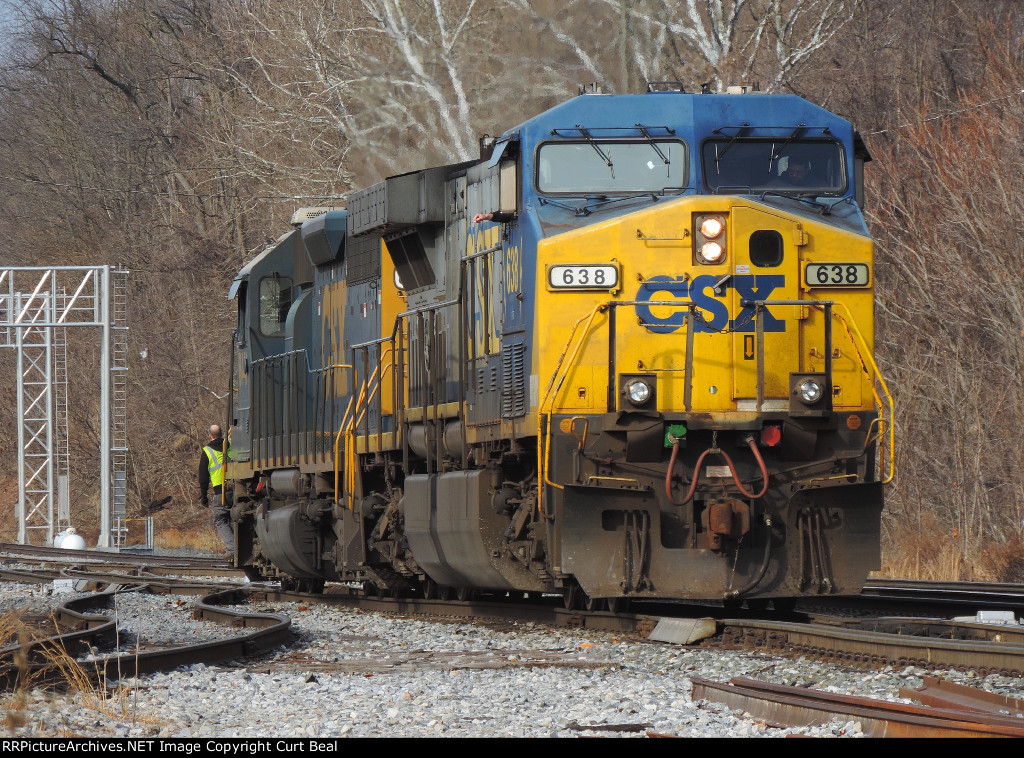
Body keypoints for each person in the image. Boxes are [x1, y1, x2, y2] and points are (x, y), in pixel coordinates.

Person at [199, 424, 233, 557]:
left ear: (210, 436)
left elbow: (203, 477)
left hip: (221, 491)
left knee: (219, 519)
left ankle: (232, 549)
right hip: (237, 487)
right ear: (222, 434)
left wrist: (204, 497)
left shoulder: (207, 451)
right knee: (235, 519)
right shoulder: (230, 444)